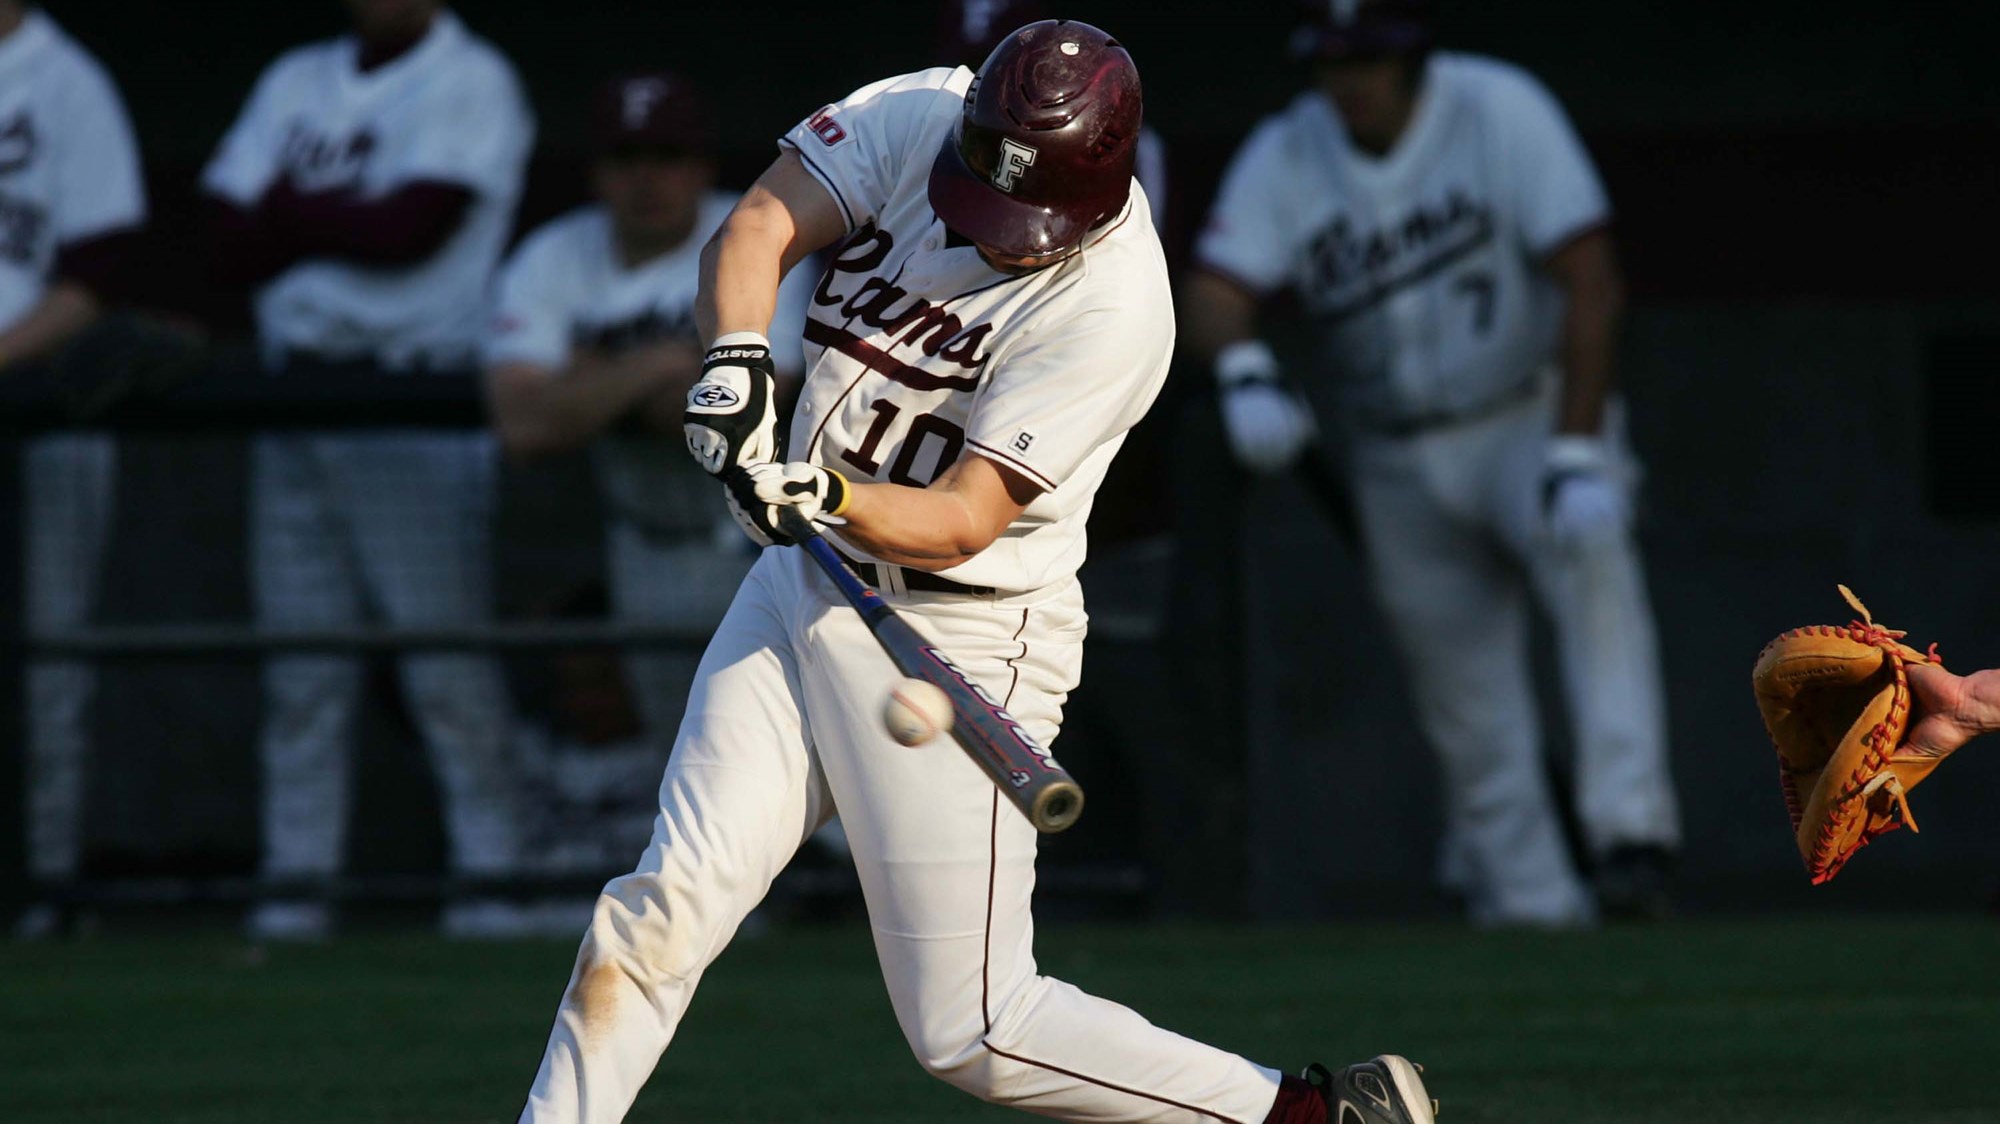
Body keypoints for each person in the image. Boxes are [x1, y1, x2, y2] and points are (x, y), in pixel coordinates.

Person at [518, 20, 1436, 1124]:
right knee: (656, 911)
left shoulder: (1114, 306)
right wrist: (734, 363)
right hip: (802, 583)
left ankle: (1307, 1116)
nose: (994, 234)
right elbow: (756, 225)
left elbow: (962, 517)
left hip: (961, 636)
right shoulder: (917, 115)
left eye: (1022, 218)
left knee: (973, 1029)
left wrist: (828, 493)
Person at [1184, 0, 1680, 925]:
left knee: (1595, 572)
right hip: (1394, 452)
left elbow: (1592, 280)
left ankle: (1632, 837)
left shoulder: (1500, 109)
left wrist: (1577, 452)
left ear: (1412, 57)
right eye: (1332, 63)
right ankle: (1532, 908)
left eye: (1367, 60)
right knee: (1462, 691)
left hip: (1528, 417)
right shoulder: (1292, 149)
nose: (1349, 83)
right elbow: (1215, 292)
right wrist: (1246, 368)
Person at [201, 0, 535, 940]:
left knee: (446, 668)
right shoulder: (295, 77)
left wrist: (289, 216)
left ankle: (493, 887)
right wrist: (337, 219)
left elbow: (411, 230)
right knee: (301, 672)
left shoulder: (473, 78)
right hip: (296, 396)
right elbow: (224, 236)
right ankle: (294, 897)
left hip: (409, 402)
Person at [484, 72, 813, 860]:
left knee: (799, 745)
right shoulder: (556, 256)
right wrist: (664, 365)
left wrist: (599, 376)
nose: (647, 178)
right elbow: (523, 421)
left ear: (701, 166)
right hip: (643, 540)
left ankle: (827, 907)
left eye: (667, 155)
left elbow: (759, 410)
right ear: (597, 171)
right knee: (690, 761)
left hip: (762, 541)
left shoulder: (756, 234)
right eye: (627, 157)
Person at [0, 1, 146, 939]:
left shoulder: (68, 82)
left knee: (44, 664)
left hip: (33, 421)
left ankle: (38, 892)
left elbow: (101, 273)